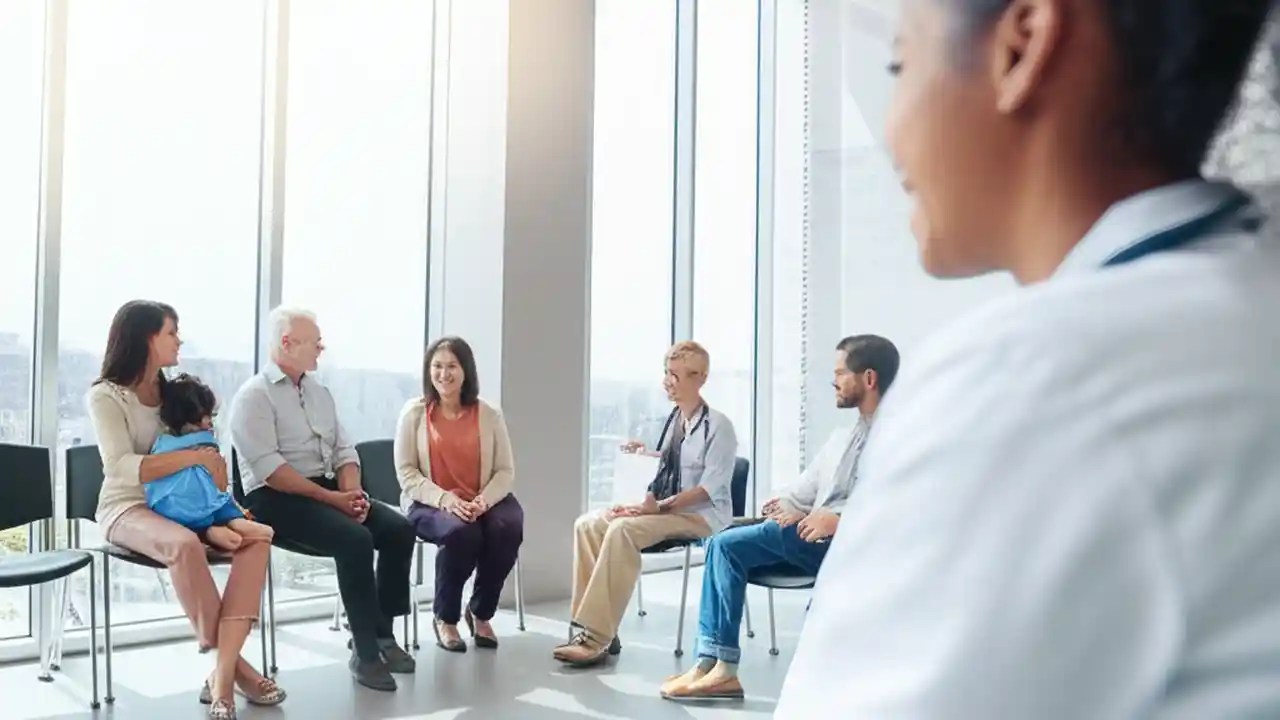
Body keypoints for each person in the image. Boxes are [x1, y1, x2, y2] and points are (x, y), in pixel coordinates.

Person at [777, 1, 1280, 718]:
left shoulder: (1043, 378)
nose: (888, 129)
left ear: (1023, 44)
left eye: (900, 63)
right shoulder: (1246, 306)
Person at [661, 335, 898, 701]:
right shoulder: (841, 438)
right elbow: (802, 490)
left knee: (725, 547)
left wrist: (838, 520)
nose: (833, 381)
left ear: (868, 379)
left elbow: (897, 506)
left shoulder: (898, 439)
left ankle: (720, 666)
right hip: (810, 537)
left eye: (839, 373)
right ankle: (707, 664)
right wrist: (786, 504)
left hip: (849, 545)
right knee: (724, 542)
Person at [87, 301, 283, 720]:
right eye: (172, 333)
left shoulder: (176, 392)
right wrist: (194, 458)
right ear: (146, 338)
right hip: (129, 507)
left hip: (184, 505)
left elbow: (207, 451)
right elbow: (120, 466)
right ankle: (235, 672)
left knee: (256, 539)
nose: (180, 340)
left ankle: (223, 672)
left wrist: (206, 468)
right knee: (183, 545)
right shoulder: (106, 396)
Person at [229, 306, 416, 692]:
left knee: (398, 529)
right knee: (355, 539)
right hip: (273, 498)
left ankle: (382, 634)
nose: (321, 348)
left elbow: (344, 451)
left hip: (325, 490)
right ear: (287, 343)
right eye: (315, 342)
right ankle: (365, 653)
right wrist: (334, 502)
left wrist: (350, 493)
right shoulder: (253, 397)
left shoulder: (319, 392)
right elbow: (271, 471)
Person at [554, 341, 738, 667]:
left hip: (701, 516)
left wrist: (660, 507)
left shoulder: (719, 426)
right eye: (668, 373)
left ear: (701, 378)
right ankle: (589, 626)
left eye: (679, 375)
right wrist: (645, 454)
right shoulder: (674, 420)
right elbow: (674, 465)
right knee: (588, 524)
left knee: (623, 530)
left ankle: (596, 638)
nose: (670, 381)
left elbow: (709, 488)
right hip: (667, 510)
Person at [395, 336, 522, 653]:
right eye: (437, 366)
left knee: (506, 527)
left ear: (466, 370)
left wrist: (483, 501)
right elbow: (407, 473)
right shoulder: (414, 413)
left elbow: (505, 470)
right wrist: (447, 500)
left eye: (452, 366)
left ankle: (479, 612)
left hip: (483, 497)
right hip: (431, 502)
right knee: (461, 533)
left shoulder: (489, 414)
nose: (443, 373)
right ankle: (445, 617)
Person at [148, 373, 271, 553]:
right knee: (245, 523)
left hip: (166, 510)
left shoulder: (162, 445)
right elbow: (219, 485)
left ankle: (209, 529)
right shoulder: (206, 443)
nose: (210, 422)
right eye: (207, 415)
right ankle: (211, 528)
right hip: (201, 509)